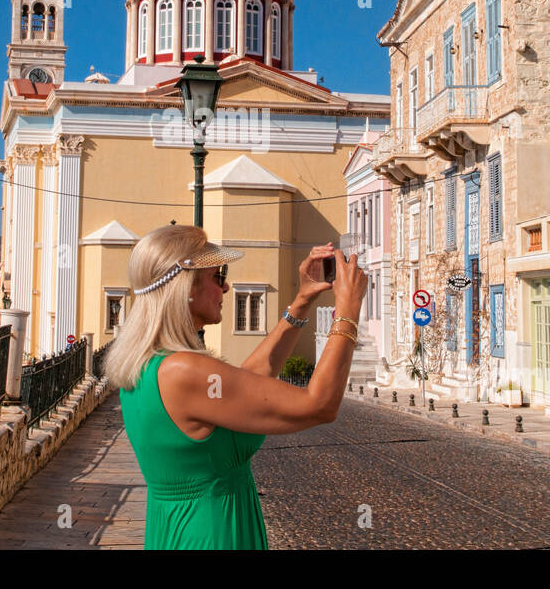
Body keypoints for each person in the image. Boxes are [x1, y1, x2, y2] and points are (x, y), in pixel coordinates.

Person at [106, 224, 368, 550]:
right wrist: (348, 310)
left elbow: (246, 382)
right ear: (186, 286)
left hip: (178, 531)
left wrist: (301, 302)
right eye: (218, 276)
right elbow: (320, 405)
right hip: (213, 534)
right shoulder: (184, 370)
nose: (226, 287)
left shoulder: (149, 364)